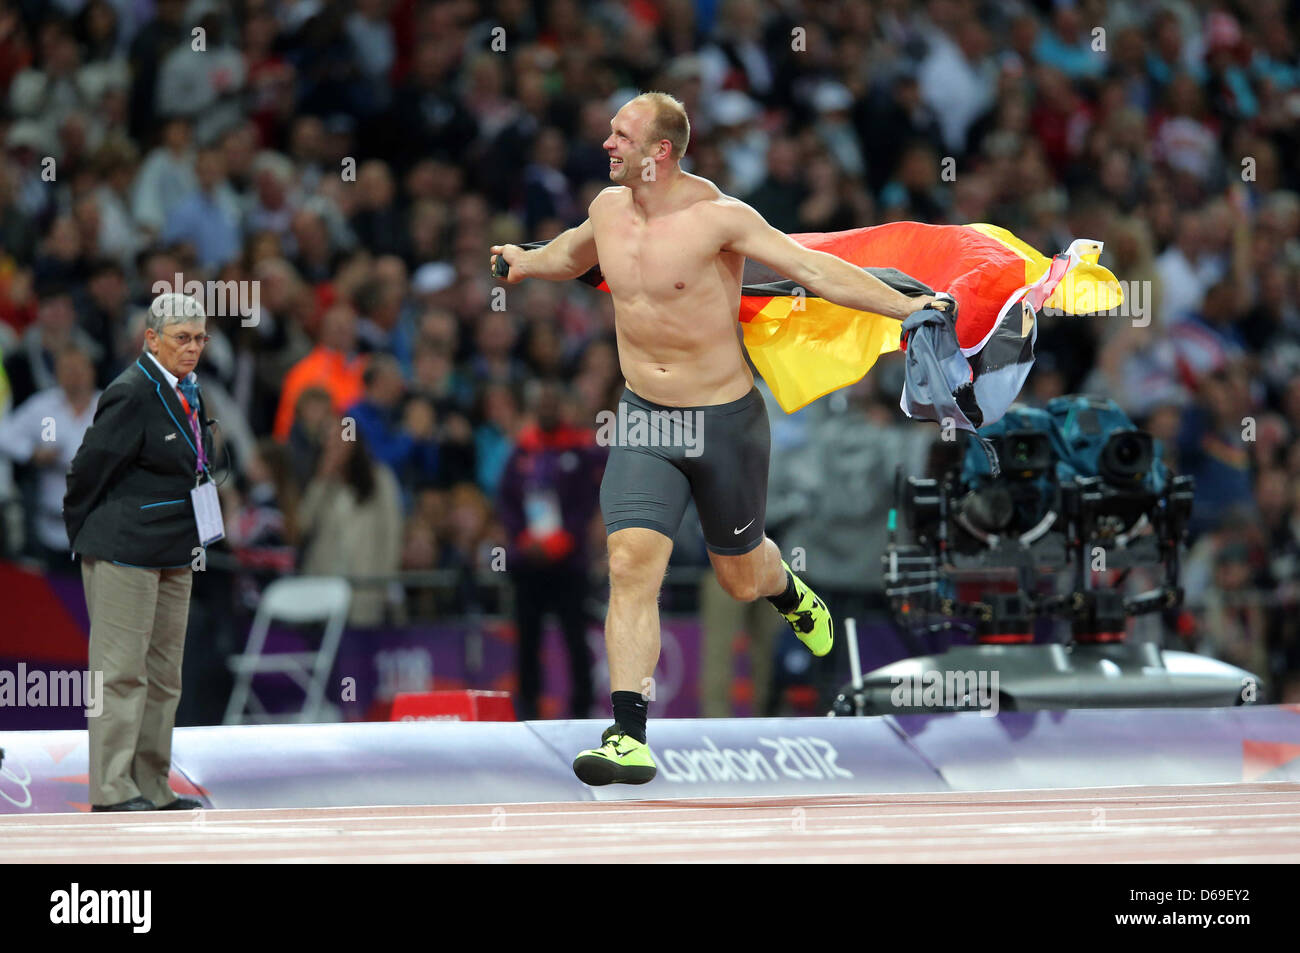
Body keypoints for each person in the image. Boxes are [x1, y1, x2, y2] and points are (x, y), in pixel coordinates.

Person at [491, 91, 948, 784]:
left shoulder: (720, 218)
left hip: (724, 422)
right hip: (646, 417)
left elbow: (816, 272)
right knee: (629, 563)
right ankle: (627, 732)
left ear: (661, 153)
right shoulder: (608, 209)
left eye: (621, 135)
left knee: (740, 577)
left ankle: (789, 589)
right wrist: (524, 263)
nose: (607, 143)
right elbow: (568, 255)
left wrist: (908, 305)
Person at [62, 292, 216, 811]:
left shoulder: (188, 389)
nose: (192, 348)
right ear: (151, 340)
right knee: (120, 672)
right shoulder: (131, 391)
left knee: (164, 675)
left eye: (199, 339)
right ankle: (111, 788)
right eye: (181, 339)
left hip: (175, 547)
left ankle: (151, 783)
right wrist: (83, 534)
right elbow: (87, 470)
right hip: (123, 550)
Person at [0, 343, 100, 568]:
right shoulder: (44, 406)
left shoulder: (108, 406)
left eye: (79, 368)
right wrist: (32, 452)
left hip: (98, 530)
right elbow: (4, 434)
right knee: (55, 596)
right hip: (51, 529)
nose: (73, 375)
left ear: (91, 370)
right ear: (57, 373)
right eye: (67, 369)